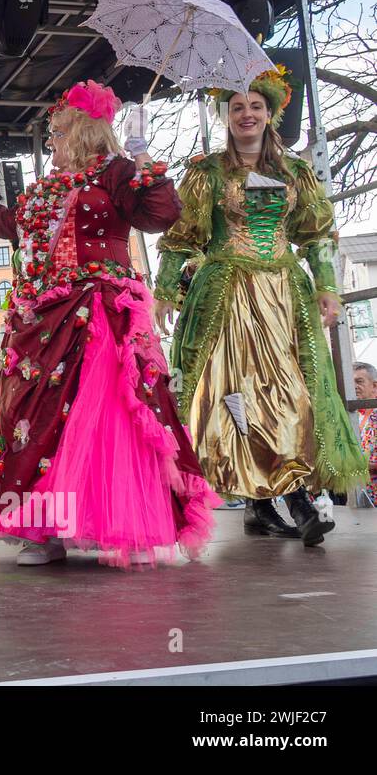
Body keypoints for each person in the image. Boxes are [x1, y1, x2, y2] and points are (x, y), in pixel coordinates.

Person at [0, 79, 221, 568]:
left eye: (57, 129)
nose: (51, 139)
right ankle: (42, 529)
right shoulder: (44, 189)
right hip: (44, 312)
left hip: (102, 307)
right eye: (50, 132)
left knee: (112, 411)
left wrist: (144, 165)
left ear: (82, 128)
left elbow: (161, 215)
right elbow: (15, 227)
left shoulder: (115, 172)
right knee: (36, 413)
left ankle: (114, 524)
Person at [154, 67, 367, 547]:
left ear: (270, 114)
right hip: (227, 296)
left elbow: (315, 236)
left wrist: (327, 286)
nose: (246, 114)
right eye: (237, 107)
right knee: (236, 398)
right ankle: (265, 502)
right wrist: (166, 290)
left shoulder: (296, 172)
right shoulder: (207, 173)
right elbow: (181, 237)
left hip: (283, 297)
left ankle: (290, 494)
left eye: (255, 106)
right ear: (226, 117)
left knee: (291, 394)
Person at [354, 363, 377, 507]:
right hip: (360, 499)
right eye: (350, 382)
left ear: (374, 386)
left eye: (359, 381)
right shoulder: (353, 415)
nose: (354, 386)